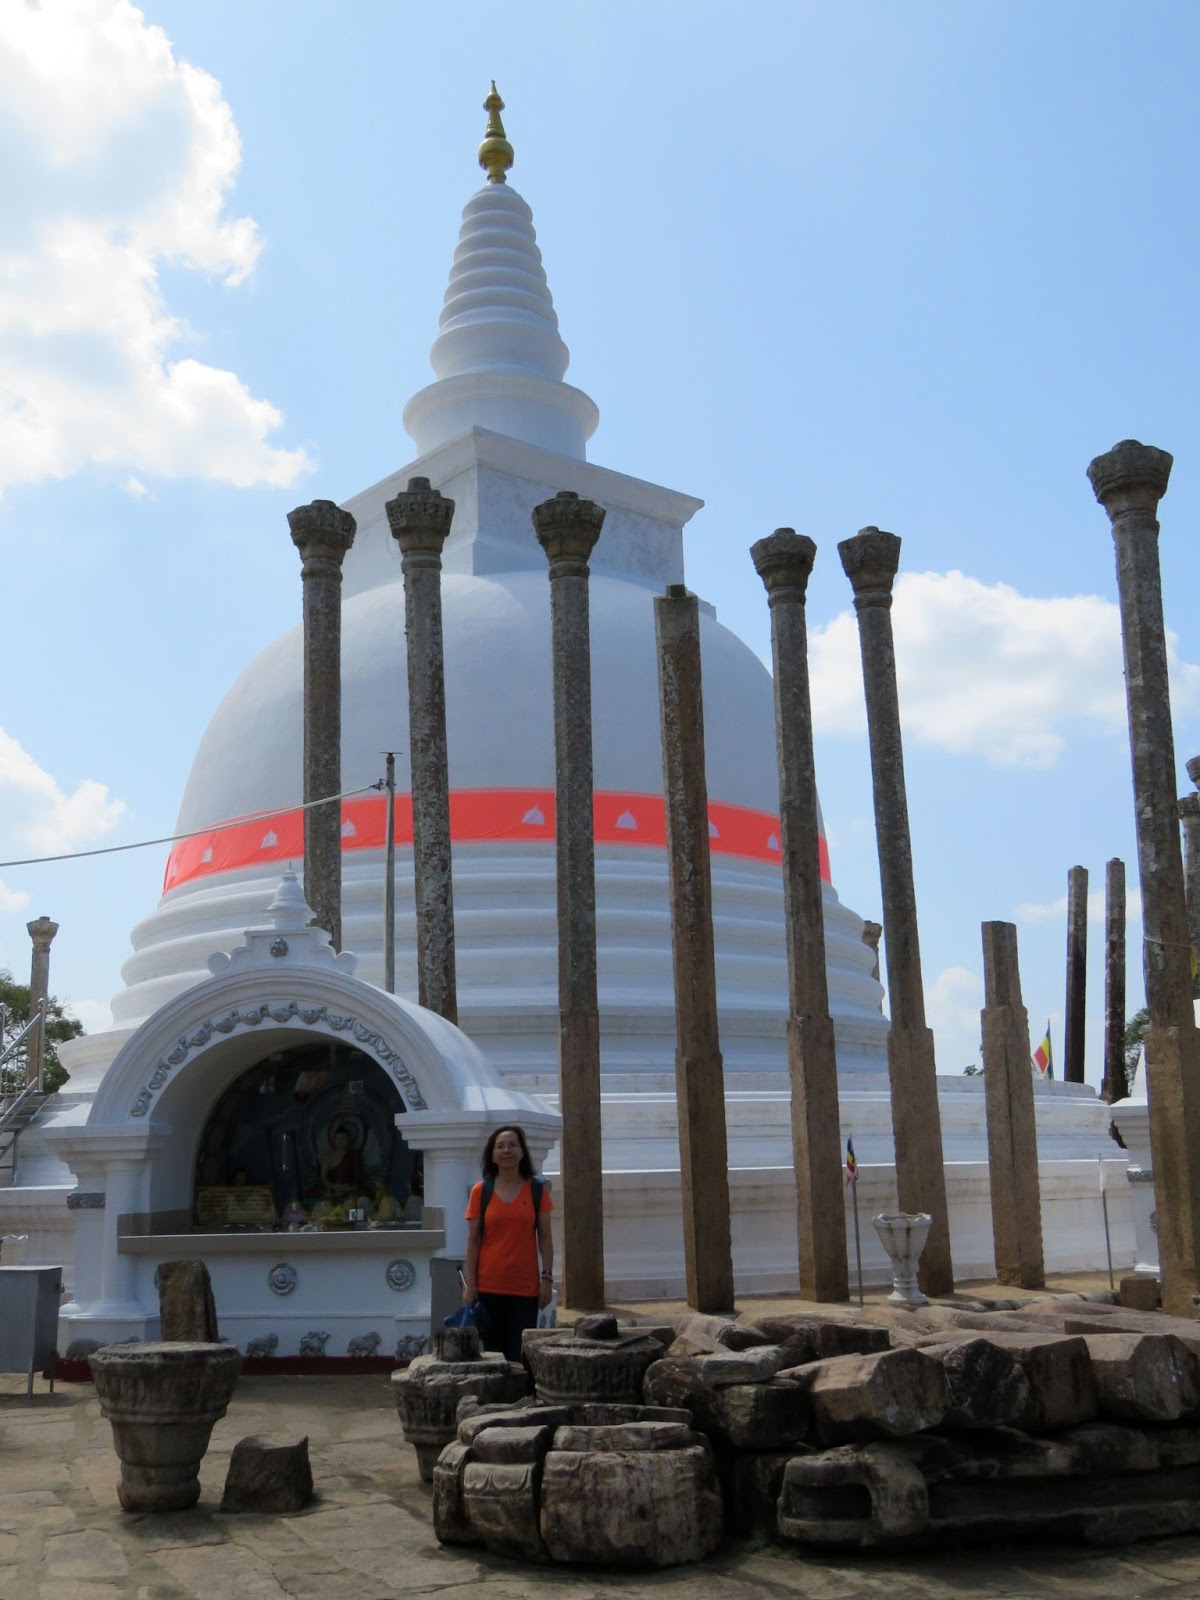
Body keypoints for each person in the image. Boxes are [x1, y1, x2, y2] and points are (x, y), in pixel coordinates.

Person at [463, 1125, 554, 1362]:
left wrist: (547, 1278)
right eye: (500, 1146)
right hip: (488, 1286)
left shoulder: (537, 1190)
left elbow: (545, 1237)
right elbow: (473, 1240)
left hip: (525, 1288)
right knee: (494, 1355)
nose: (507, 1150)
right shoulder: (480, 1191)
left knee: (519, 1354)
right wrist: (470, 1284)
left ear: (522, 1152)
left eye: (513, 1145)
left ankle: (521, 1399)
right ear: (492, 1154)